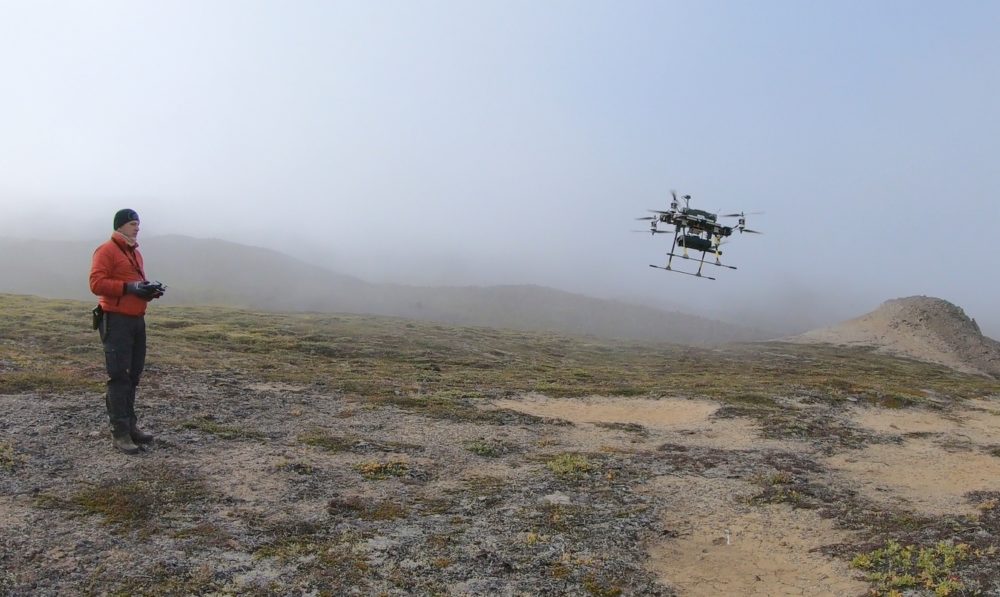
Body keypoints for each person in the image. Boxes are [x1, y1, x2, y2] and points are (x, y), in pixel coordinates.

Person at [89, 209, 165, 454]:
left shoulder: (136, 253)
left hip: (136, 320)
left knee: (133, 375)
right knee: (119, 376)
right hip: (116, 320)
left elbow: (133, 286)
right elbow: (96, 284)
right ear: (120, 226)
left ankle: (131, 426)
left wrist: (146, 291)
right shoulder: (106, 250)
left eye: (138, 224)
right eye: (133, 223)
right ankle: (120, 433)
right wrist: (129, 287)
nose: (137, 228)